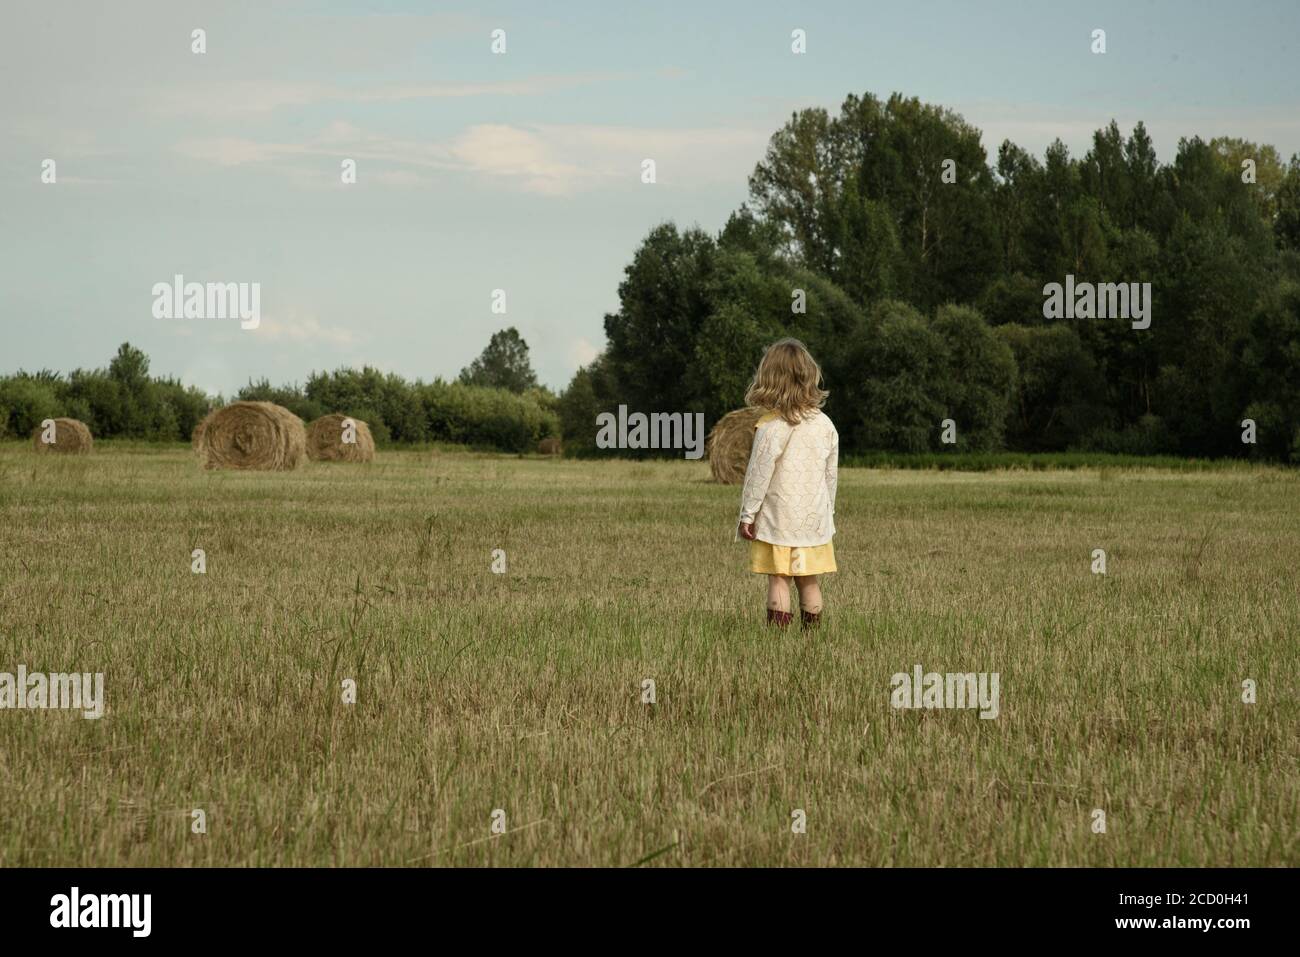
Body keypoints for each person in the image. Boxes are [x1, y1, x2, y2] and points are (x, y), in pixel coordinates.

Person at [736, 338, 839, 630]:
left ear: (769, 380)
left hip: (778, 518)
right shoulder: (826, 425)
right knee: (809, 580)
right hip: (813, 519)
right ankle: (811, 636)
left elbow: (758, 475)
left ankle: (778, 638)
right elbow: (830, 475)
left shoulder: (770, 426)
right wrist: (827, 512)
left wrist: (748, 514)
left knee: (779, 578)